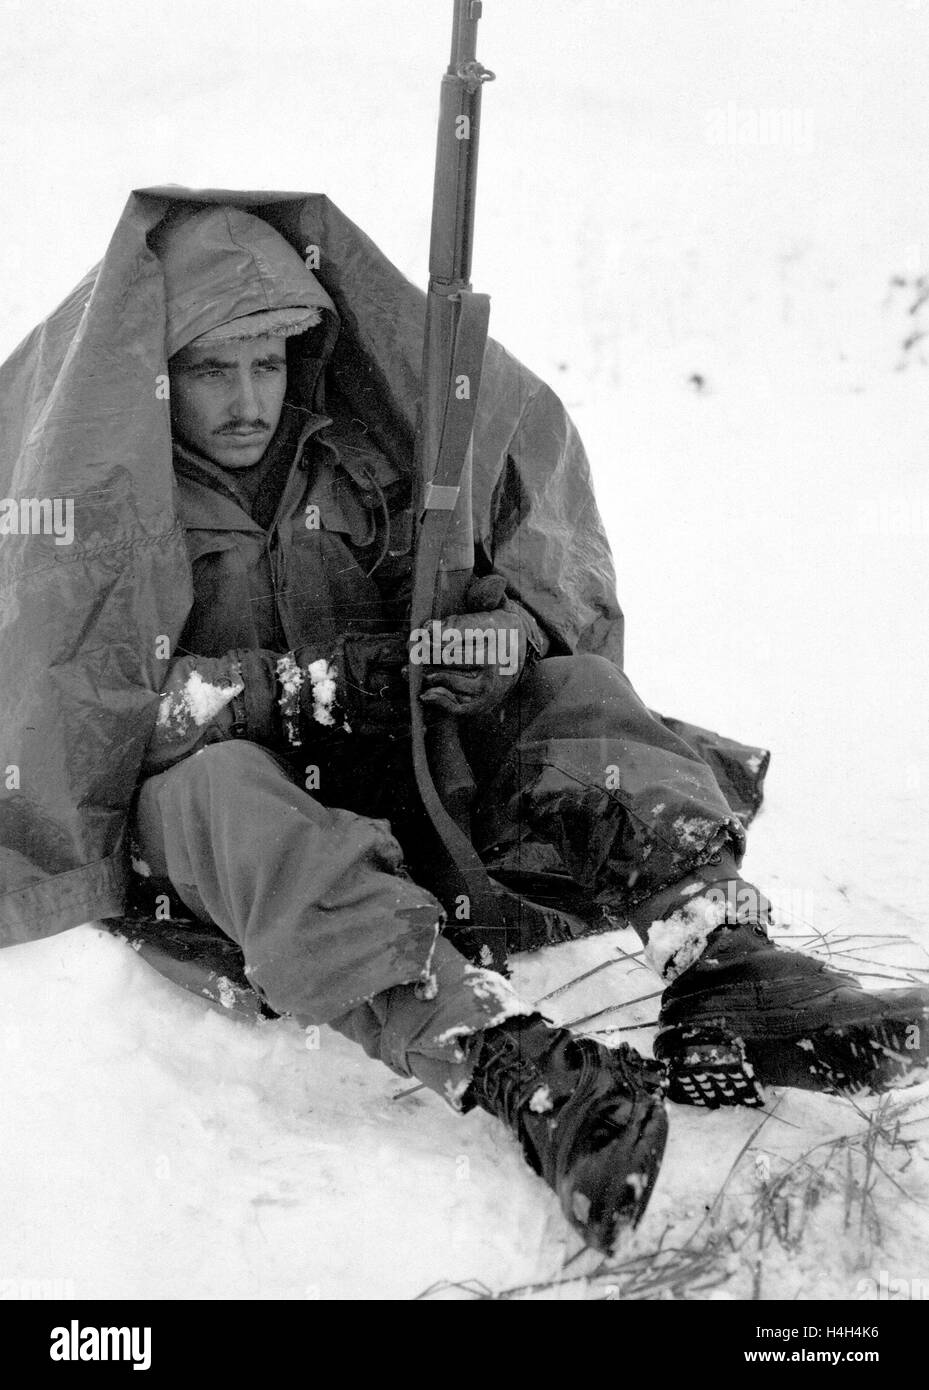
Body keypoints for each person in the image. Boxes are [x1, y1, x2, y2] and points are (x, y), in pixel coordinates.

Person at [12, 199, 929, 1255]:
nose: (248, 399)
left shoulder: (353, 464)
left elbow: (481, 580)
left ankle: (720, 959)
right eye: (215, 369)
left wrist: (488, 641)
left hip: (390, 776)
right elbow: (100, 714)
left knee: (572, 692)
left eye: (268, 363)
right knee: (219, 792)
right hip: (222, 831)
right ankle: (508, 1065)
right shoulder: (110, 501)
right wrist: (309, 685)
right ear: (161, 371)